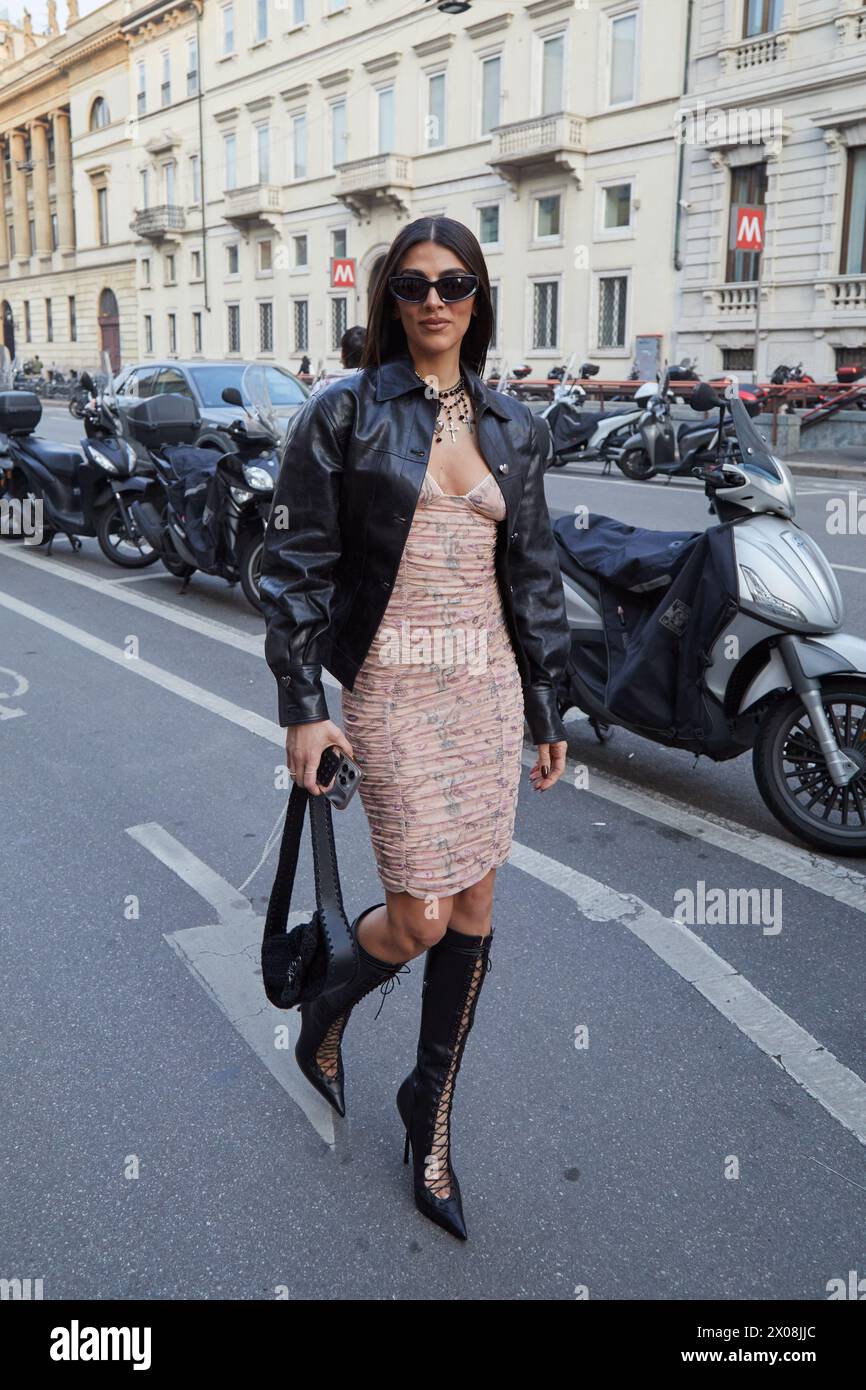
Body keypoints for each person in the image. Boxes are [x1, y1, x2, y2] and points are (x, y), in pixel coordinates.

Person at [259, 215, 570, 1242]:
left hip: (481, 693)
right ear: (388, 301)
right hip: (392, 690)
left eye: (453, 283)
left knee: (473, 901)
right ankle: (327, 999)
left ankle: (427, 1114)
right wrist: (304, 708)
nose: (432, 299)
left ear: (478, 300)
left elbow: (529, 575)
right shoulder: (342, 413)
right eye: (411, 284)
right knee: (422, 916)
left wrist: (544, 707)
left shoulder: (513, 426)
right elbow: (297, 567)